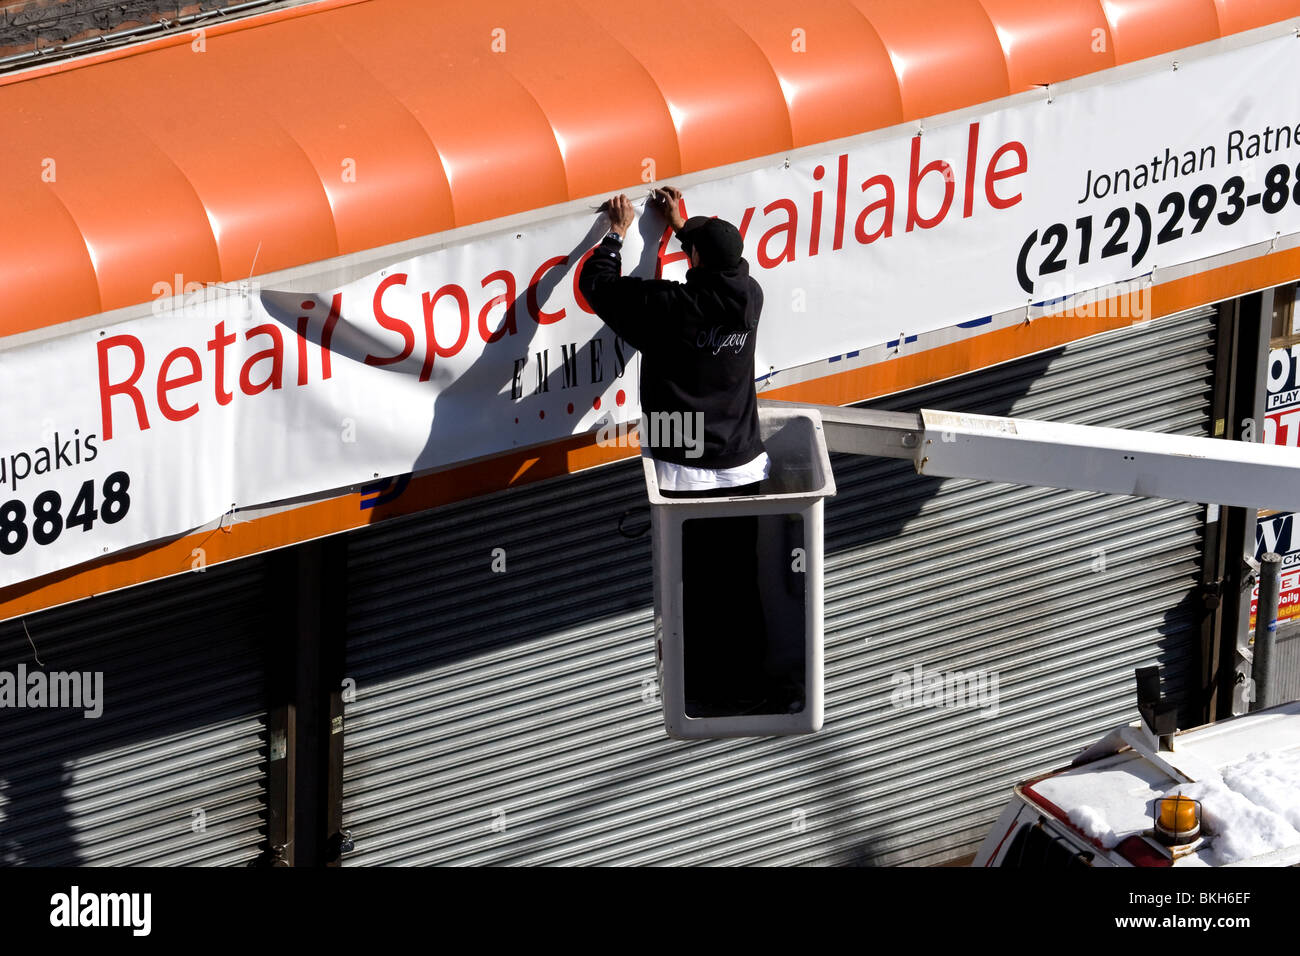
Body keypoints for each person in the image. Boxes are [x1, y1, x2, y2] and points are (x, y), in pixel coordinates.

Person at [578, 188, 801, 716]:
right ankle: (751, 688)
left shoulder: (667, 308)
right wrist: (684, 231)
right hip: (744, 468)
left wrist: (615, 233)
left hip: (686, 477)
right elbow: (720, 269)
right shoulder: (751, 298)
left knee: (697, 592)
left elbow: (598, 285)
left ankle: (704, 692)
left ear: (695, 260)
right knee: (741, 588)